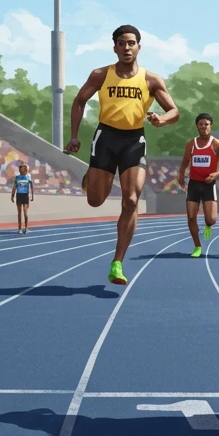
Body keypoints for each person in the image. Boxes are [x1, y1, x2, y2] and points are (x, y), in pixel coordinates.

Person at [66, 25, 179, 284]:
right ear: (115, 47)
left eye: (131, 43)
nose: (126, 48)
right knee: (95, 200)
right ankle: (91, 175)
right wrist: (74, 136)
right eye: (121, 43)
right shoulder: (100, 75)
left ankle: (117, 262)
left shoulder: (151, 80)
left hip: (133, 140)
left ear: (139, 46)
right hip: (105, 138)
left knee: (130, 200)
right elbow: (79, 100)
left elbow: (174, 111)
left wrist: (162, 119)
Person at [177, 113, 219, 258]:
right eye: (201, 124)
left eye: (206, 124)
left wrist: (217, 174)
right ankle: (197, 246)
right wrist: (180, 175)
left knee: (211, 219)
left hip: (209, 184)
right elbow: (185, 161)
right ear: (197, 126)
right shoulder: (191, 144)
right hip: (194, 183)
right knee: (191, 216)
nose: (203, 127)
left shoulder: (217, 144)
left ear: (210, 125)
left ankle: (207, 225)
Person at [11, 163, 34, 234]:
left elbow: (31, 186)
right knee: (19, 214)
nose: (25, 171)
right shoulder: (17, 177)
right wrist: (12, 196)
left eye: (26, 170)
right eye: (24, 170)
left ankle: (26, 228)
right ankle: (19, 228)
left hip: (25, 196)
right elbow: (14, 187)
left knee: (25, 213)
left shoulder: (28, 177)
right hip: (19, 196)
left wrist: (32, 196)